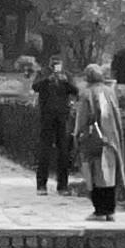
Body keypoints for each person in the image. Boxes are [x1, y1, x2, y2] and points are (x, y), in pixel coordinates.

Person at [78, 62, 125, 223]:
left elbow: (82, 118)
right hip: (111, 139)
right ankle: (110, 211)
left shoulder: (87, 94)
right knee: (109, 175)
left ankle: (99, 210)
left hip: (94, 140)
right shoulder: (109, 92)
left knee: (95, 175)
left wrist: (77, 134)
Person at [33, 56, 80, 196]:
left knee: (64, 151)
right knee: (44, 150)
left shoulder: (67, 75)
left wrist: (65, 82)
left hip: (62, 117)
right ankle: (41, 184)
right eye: (54, 63)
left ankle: (63, 185)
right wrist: (48, 79)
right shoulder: (43, 73)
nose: (56, 66)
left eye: (58, 63)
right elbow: (35, 87)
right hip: (46, 116)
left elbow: (75, 91)